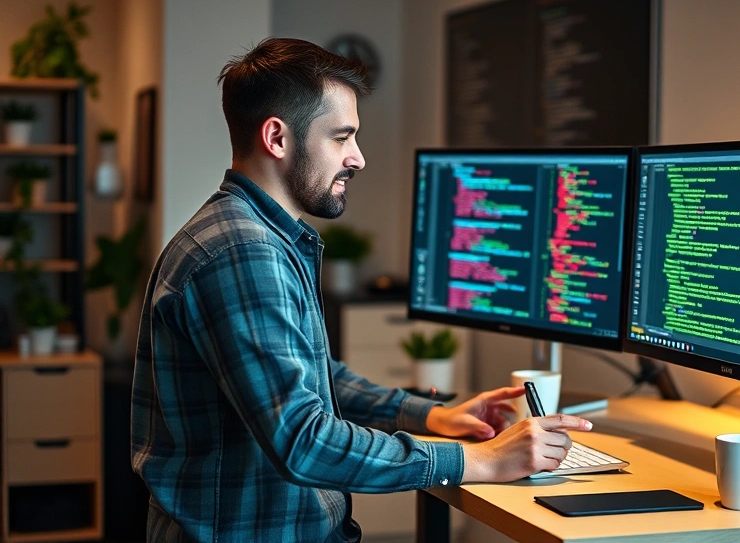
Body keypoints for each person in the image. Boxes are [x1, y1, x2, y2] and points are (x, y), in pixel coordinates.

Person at [130, 37, 593, 542]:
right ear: (277, 138)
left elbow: (312, 376)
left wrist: (433, 414)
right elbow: (303, 441)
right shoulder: (243, 252)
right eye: (341, 137)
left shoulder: (257, 235)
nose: (358, 158)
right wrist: (475, 459)